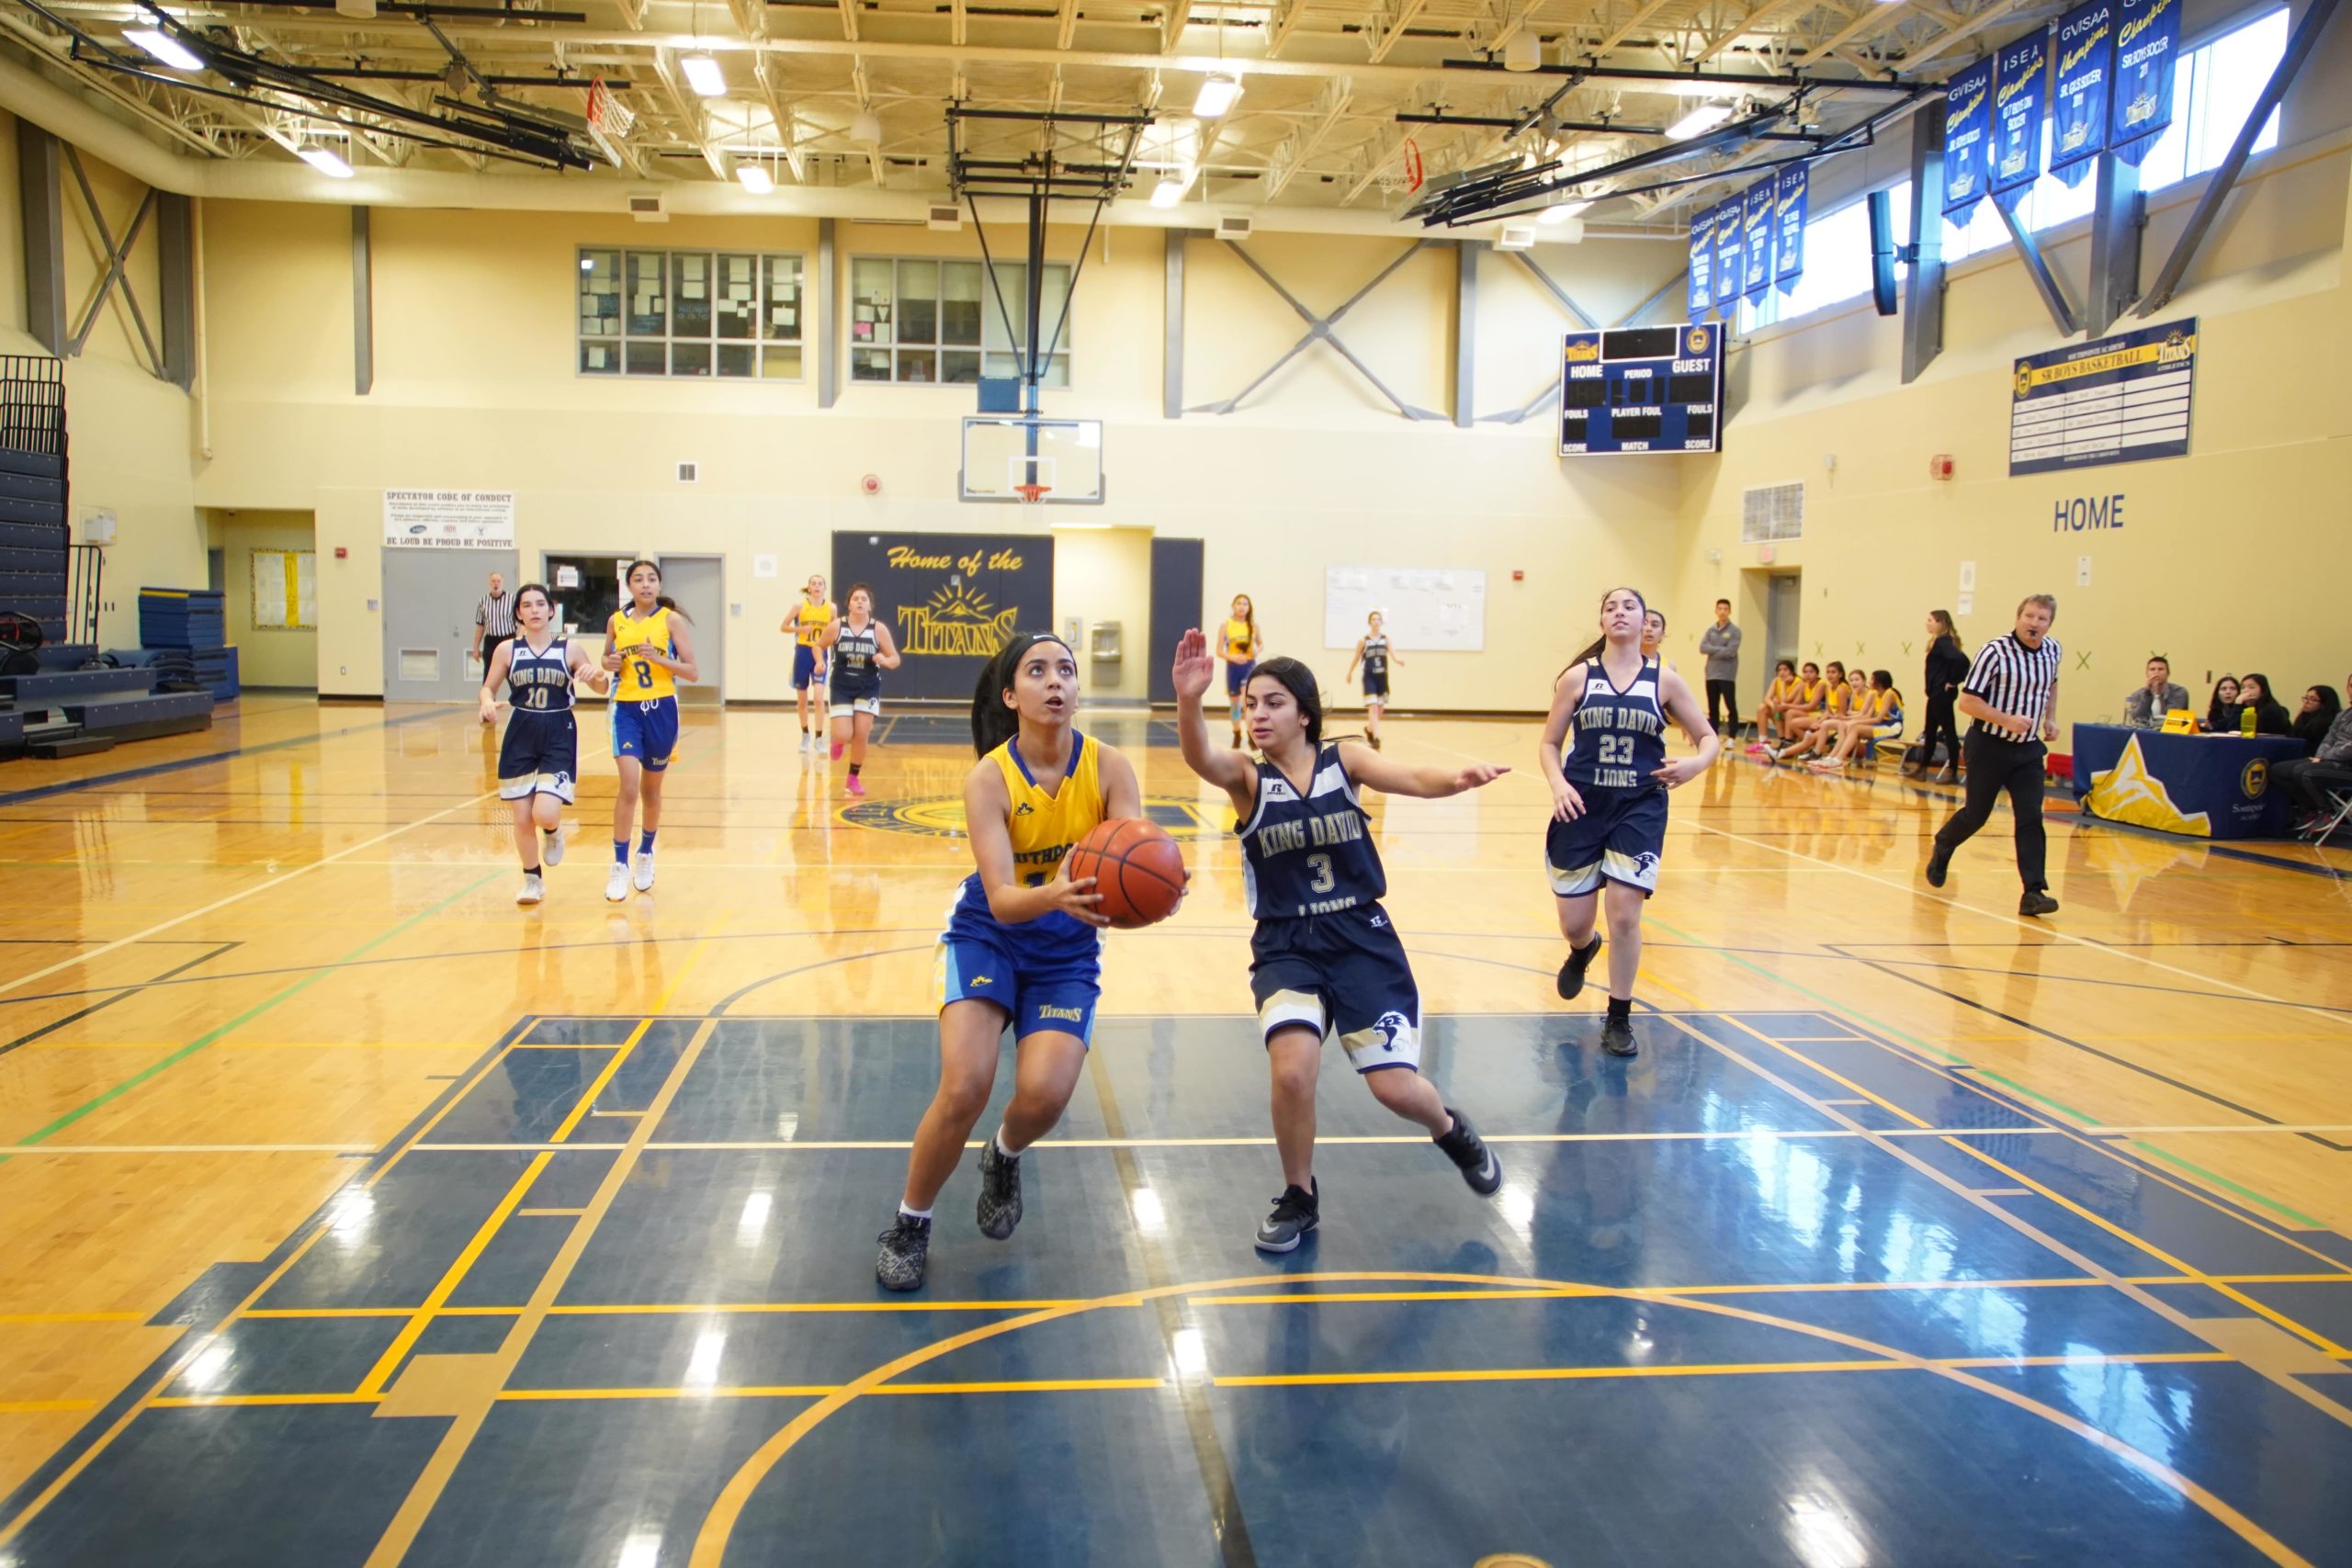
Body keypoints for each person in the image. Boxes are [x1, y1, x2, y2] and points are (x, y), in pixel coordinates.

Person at [1170, 634, 1507, 1251]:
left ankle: (1450, 1128)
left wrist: (1455, 779)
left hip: (1359, 938)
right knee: (1293, 1073)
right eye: (1251, 705)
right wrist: (1189, 700)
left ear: (1305, 712)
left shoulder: (1343, 760)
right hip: (1286, 943)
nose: (1260, 715)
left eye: (1273, 702)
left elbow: (1407, 776)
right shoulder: (1248, 778)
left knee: (1395, 1089)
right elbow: (1200, 757)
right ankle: (1299, 1195)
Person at [874, 633, 1144, 1292]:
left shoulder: (1110, 767)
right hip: (989, 932)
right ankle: (911, 1221)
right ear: (1010, 693)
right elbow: (1001, 896)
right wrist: (1058, 890)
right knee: (966, 1083)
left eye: (1067, 671)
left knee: (1046, 1095)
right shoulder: (989, 776)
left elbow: (1137, 854)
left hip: (1066, 945)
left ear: (1079, 690)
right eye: (1039, 670)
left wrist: (1157, 882)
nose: (1056, 682)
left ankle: (1004, 1154)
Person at [1540, 586, 1721, 1058]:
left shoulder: (1665, 680)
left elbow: (1708, 737)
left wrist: (1695, 765)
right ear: (1602, 622)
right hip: (1581, 807)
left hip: (1638, 806)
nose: (1618, 613)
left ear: (1645, 623)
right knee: (1575, 922)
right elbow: (1549, 744)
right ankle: (1583, 949)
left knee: (1625, 915)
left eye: (1629, 606)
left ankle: (1619, 1016)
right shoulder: (1577, 679)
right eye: (1609, 607)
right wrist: (1559, 785)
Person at [1925, 593, 2063, 918]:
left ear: (2049, 624)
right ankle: (1945, 843)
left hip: (2028, 750)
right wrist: (2006, 720)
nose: (2034, 623)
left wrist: (2050, 717)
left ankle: (2033, 892)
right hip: (1989, 744)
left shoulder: (2053, 650)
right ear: (2018, 617)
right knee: (1977, 814)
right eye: (2029, 616)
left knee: (2030, 817)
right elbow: (1967, 702)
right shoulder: (1995, 652)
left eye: (2041, 619)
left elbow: (2052, 684)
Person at [479, 584, 610, 905]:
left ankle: (553, 831)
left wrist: (596, 676)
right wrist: (485, 703)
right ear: (518, 613)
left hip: (558, 729)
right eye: (527, 605)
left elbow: (600, 685)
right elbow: (488, 687)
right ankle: (532, 880)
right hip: (520, 730)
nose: (535, 610)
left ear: (551, 610)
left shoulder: (570, 648)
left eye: (541, 604)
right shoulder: (507, 650)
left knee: (545, 812)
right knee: (522, 816)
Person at [602, 559, 699, 902]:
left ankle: (645, 852)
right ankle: (618, 865)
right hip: (626, 709)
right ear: (629, 586)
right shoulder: (616, 620)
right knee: (628, 785)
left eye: (652, 579)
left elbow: (692, 671)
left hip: (661, 709)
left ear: (659, 585)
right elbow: (606, 659)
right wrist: (608, 662)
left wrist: (659, 660)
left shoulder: (670, 620)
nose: (645, 584)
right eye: (638, 579)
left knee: (651, 790)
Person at [822, 582, 902, 797]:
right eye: (855, 598)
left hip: (868, 686)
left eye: (863, 599)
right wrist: (818, 663)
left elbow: (895, 659)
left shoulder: (878, 629)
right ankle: (837, 741)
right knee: (843, 733)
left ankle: (853, 778)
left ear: (870, 606)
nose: (859, 602)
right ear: (848, 604)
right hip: (841, 685)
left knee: (861, 733)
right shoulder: (837, 626)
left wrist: (884, 659)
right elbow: (818, 646)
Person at [2277, 674, 2352, 835]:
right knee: (2278, 770)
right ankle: (2310, 809)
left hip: (2347, 766)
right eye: (2351, 686)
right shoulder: (2344, 714)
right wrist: (2321, 756)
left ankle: (2326, 811)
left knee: (2305, 772)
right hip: (2329, 760)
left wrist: (2326, 757)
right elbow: (2329, 738)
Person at [781, 574, 836, 753]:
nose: (817, 586)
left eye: (820, 584)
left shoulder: (831, 608)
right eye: (814, 584)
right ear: (809, 588)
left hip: (820, 653)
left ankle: (819, 739)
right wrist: (800, 629)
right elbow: (783, 626)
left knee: (819, 698)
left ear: (825, 588)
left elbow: (836, 631)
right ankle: (805, 735)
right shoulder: (800, 606)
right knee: (802, 700)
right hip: (803, 652)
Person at [1811, 670, 1904, 773]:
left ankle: (1839, 759)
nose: (1870, 682)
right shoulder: (1876, 694)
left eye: (1872, 679)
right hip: (1881, 726)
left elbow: (1878, 719)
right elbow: (1867, 716)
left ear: (1879, 682)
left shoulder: (1889, 694)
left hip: (1893, 729)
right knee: (1846, 725)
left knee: (1854, 727)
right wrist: (1849, 720)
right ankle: (1832, 757)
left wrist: (1854, 722)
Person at [1917, 611, 1967, 782]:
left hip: (1941, 694)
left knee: (1949, 732)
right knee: (1930, 731)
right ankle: (1922, 768)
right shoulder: (1941, 641)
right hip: (1935, 694)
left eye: (1930, 620)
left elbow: (1962, 661)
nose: (1927, 623)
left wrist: (1953, 681)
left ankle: (1952, 770)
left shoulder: (1943, 641)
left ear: (1940, 622)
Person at [1785, 667, 1871, 764]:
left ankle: (1833, 757)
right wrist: (1820, 721)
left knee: (1832, 729)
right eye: (1852, 680)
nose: (1854, 683)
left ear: (1864, 681)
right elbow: (1840, 711)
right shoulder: (1850, 692)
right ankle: (1816, 752)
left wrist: (1847, 717)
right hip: (1840, 719)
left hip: (1855, 722)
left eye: (1857, 680)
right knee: (1815, 724)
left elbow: (1859, 714)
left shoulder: (1847, 690)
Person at [1343, 610, 1402, 750]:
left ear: (1381, 622)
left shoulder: (1385, 639)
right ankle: (1376, 739)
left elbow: (1393, 654)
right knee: (1373, 708)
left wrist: (1399, 660)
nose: (1376, 622)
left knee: (1379, 712)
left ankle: (1370, 730)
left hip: (1382, 678)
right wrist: (1350, 672)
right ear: (1369, 622)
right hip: (1369, 677)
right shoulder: (1363, 641)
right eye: (1373, 619)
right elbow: (1356, 657)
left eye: (1378, 619)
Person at [1774, 660, 1849, 759]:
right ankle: (1790, 744)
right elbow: (1828, 710)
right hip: (1826, 718)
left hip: (1832, 720)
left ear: (1840, 674)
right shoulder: (1828, 687)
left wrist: (1821, 722)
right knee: (1789, 718)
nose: (1830, 675)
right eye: (1828, 672)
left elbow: (1840, 715)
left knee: (1795, 719)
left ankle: (1804, 749)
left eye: (1833, 672)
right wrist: (1820, 721)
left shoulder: (1839, 688)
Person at [1217, 594, 1261, 749]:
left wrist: (1256, 650)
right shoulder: (1226, 625)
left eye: (1245, 604)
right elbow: (1219, 651)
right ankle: (1237, 733)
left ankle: (1252, 735)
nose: (1242, 606)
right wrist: (1233, 657)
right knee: (1235, 704)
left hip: (1249, 666)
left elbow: (1261, 645)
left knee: (1246, 702)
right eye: (1239, 603)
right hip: (1233, 667)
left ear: (1249, 607)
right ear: (1233, 606)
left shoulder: (1253, 625)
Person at [1698, 599, 1742, 737]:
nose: (1722, 612)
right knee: (1713, 707)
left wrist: (1713, 650)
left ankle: (1732, 736)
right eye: (1720, 609)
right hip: (1711, 673)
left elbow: (1731, 651)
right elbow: (1702, 648)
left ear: (1729, 611)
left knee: (1730, 706)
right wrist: (1720, 649)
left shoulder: (1734, 631)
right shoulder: (1711, 630)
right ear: (1716, 611)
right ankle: (1713, 735)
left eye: (1725, 609)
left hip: (1727, 674)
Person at [2121, 655, 2190, 729]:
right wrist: (2147, 693)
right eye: (2152, 669)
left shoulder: (2179, 692)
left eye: (2160, 669)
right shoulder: (2138, 694)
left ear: (2168, 673)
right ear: (2147, 674)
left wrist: (2157, 694)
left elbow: (2169, 719)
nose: (2156, 672)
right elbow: (2138, 719)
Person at [1747, 660, 1801, 752]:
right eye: (1779, 670)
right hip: (1780, 710)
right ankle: (1763, 742)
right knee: (1762, 707)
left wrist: (1783, 684)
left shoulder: (1798, 682)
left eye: (1785, 669)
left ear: (1792, 671)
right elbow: (1766, 698)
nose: (1782, 672)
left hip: (1793, 711)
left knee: (1777, 706)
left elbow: (1786, 700)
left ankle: (1784, 741)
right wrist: (1773, 706)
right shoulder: (1776, 680)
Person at [470, 570, 515, 678]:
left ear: (503, 582)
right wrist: (476, 648)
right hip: (491, 640)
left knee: (512, 674)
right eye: (493, 581)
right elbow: (480, 626)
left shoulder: (512, 599)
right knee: (488, 674)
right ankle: (487, 694)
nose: (496, 584)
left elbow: (520, 623)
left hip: (508, 638)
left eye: (498, 581)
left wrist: (519, 641)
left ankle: (518, 694)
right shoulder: (483, 601)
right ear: (489, 583)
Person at [2235, 673, 2292, 737]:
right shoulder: (2246, 707)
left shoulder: (2270, 709)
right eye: (2242, 687)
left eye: (2251, 687)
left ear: (2263, 691)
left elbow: (2237, 730)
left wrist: (2238, 704)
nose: (2245, 691)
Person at [2292, 683, 2343, 754]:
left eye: (2312, 699)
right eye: (2306, 698)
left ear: (2324, 704)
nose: (2306, 702)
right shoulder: (2304, 717)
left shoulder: (2327, 722)